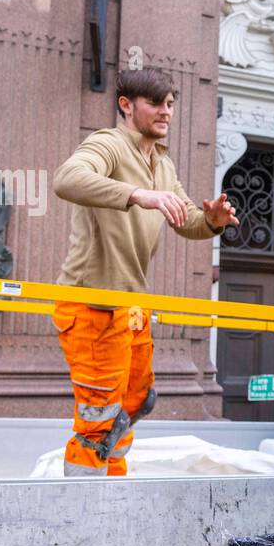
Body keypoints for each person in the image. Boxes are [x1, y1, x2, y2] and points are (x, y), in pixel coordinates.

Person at [50, 67, 239, 477]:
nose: (166, 111)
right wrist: (137, 194)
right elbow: (67, 179)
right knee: (98, 419)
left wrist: (213, 221)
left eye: (170, 103)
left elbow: (186, 217)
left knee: (135, 402)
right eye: (155, 102)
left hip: (132, 303)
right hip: (93, 301)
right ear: (126, 105)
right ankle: (78, 511)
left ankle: (112, 490)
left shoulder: (162, 164)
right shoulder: (109, 144)